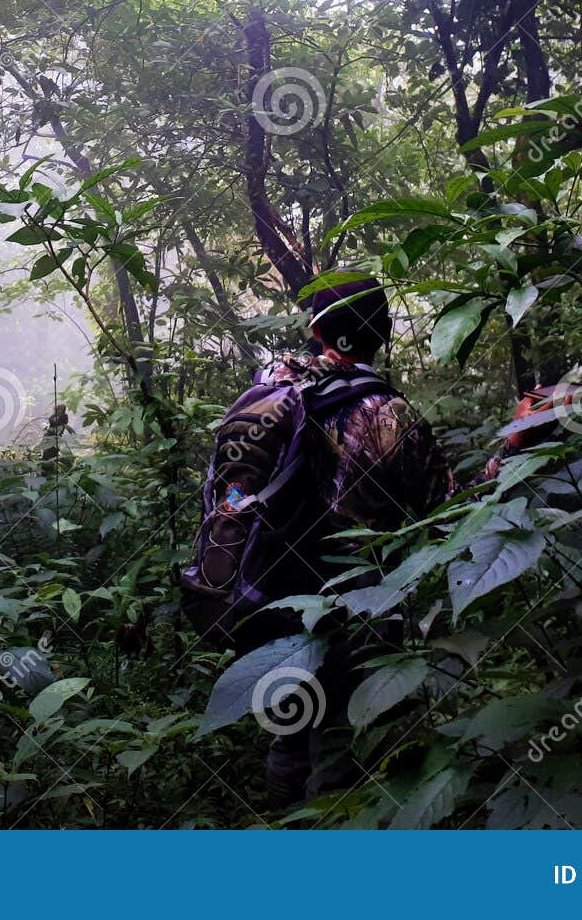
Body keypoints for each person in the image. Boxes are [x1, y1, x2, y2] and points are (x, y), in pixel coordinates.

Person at [184, 276, 455, 807]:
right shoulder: (387, 414)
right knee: (342, 748)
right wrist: (518, 444)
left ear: (314, 329)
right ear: (383, 333)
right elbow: (449, 511)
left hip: (272, 601)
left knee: (290, 735)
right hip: (358, 610)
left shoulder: (268, 391)